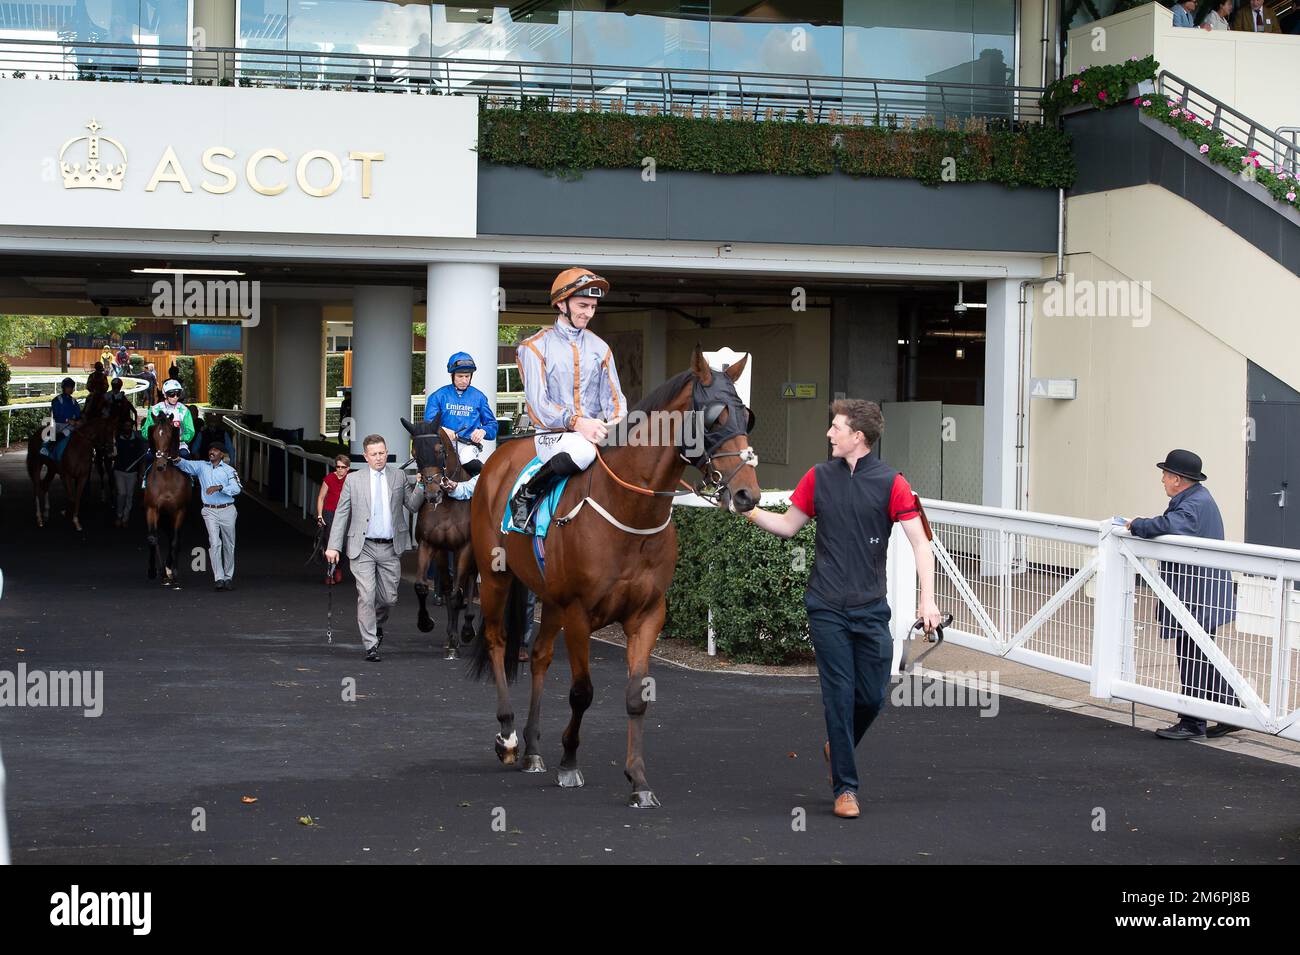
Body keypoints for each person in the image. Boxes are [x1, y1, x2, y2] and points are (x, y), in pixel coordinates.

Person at [742, 400, 941, 819]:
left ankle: (839, 744)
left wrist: (927, 600)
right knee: (838, 695)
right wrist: (749, 511)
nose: (829, 434)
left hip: (871, 609)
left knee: (872, 696)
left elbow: (921, 544)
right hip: (826, 606)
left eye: (836, 427)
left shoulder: (892, 483)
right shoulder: (818, 477)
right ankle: (845, 789)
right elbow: (787, 526)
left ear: (858, 437)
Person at [1126, 449, 1240, 740]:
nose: (1162, 480)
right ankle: (1232, 709)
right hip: (1204, 592)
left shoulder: (1192, 504)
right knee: (1203, 655)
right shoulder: (1199, 498)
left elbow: (1171, 525)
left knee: (1193, 657)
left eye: (1165, 475)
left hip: (1196, 595)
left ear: (1177, 479)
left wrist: (1138, 524)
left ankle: (1192, 723)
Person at [509, 268, 627, 528]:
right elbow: (539, 406)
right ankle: (526, 495)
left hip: (595, 433)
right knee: (582, 451)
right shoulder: (533, 347)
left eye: (593, 307)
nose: (589, 313)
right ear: (562, 304)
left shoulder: (601, 348)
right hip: (552, 436)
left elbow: (615, 401)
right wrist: (577, 423)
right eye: (582, 305)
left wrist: (616, 425)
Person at [324, 434, 429, 662]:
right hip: (362, 548)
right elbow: (341, 513)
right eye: (374, 454)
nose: (379, 458)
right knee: (366, 595)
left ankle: (377, 624)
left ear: (386, 452)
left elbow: (412, 506)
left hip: (390, 547)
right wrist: (333, 547)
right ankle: (370, 645)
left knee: (389, 598)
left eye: (382, 453)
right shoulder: (353, 480)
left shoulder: (398, 476)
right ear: (366, 456)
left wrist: (421, 485)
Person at [173, 443, 242, 591]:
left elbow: (237, 489)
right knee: (215, 543)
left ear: (222, 454)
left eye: (215, 450)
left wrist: (220, 487)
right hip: (209, 510)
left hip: (227, 510)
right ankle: (219, 578)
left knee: (229, 544)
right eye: (210, 449)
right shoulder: (202, 466)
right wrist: (176, 459)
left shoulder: (229, 470)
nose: (212, 452)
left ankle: (228, 577)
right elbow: (186, 465)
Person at [423, 351, 497, 475]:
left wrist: (483, 431)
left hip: (467, 446)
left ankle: (484, 481)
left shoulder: (479, 397)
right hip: (442, 444)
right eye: (460, 376)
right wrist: (442, 430)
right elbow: (428, 424)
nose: (464, 380)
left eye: (467, 376)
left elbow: (492, 425)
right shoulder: (438, 396)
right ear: (452, 375)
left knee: (467, 458)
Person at [139, 379, 196, 477]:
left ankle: (191, 480)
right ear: (165, 394)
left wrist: (178, 438)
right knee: (148, 457)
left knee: (185, 455)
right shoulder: (154, 409)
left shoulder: (185, 410)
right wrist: (156, 438)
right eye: (172, 394)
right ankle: (145, 480)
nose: (175, 397)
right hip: (158, 446)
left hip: (178, 445)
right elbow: (145, 431)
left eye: (178, 394)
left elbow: (190, 431)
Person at [316, 453, 352, 584]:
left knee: (344, 544)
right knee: (330, 543)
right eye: (338, 467)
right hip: (330, 513)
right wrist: (320, 515)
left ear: (348, 468)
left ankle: (338, 567)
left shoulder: (351, 479)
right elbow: (321, 497)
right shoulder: (329, 478)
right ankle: (329, 573)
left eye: (343, 467)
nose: (340, 469)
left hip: (346, 514)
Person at [112, 410, 147, 527]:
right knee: (121, 494)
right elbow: (112, 454)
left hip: (132, 473)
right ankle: (119, 515)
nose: (127, 427)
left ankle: (125, 517)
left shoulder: (137, 441)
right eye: (125, 425)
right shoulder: (117, 439)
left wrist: (141, 472)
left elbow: (141, 458)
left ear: (132, 426)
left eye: (129, 425)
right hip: (119, 471)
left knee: (129, 496)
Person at [41, 377, 81, 458]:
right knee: (66, 431)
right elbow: (56, 415)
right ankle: (46, 447)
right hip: (59, 424)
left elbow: (78, 414)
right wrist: (68, 420)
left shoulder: (74, 401)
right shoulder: (56, 400)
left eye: (72, 387)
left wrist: (78, 421)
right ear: (64, 388)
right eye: (69, 387)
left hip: (71, 425)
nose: (71, 389)